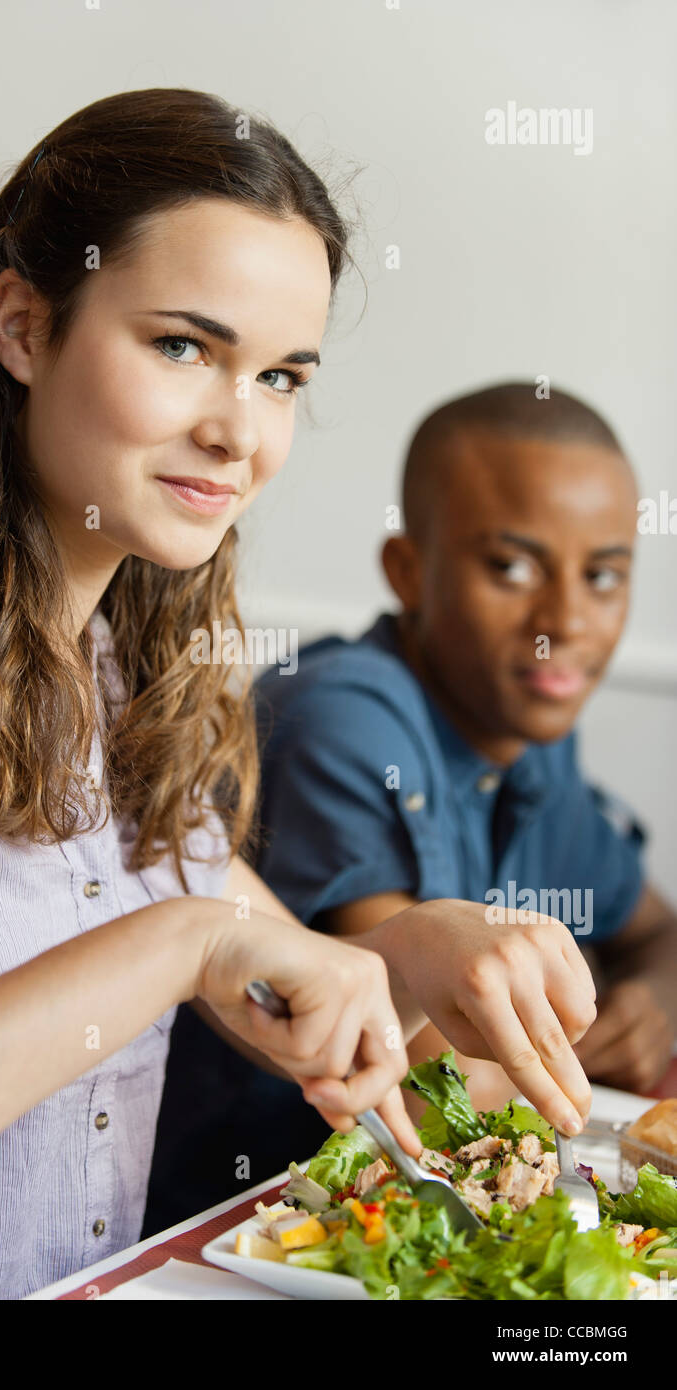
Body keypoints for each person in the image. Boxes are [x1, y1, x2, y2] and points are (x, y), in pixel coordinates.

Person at [0, 94, 594, 1299]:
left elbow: (262, 968)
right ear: (22, 325)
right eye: (184, 346)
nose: (241, 432)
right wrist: (183, 942)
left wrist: (408, 947)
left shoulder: (121, 667)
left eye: (281, 376)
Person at [145, 381, 675, 1232]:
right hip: (241, 1230)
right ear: (408, 572)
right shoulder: (341, 720)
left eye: (604, 576)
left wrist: (649, 1000)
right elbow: (435, 1086)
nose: (566, 620)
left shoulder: (527, 730)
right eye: (510, 566)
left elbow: (658, 931)